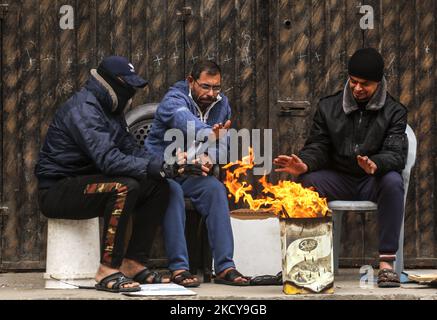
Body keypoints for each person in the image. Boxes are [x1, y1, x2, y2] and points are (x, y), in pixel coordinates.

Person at [35, 56, 193, 293]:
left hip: (87, 185)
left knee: (161, 185)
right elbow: (108, 160)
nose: (131, 94)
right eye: (128, 86)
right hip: (58, 190)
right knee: (123, 187)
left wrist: (166, 166)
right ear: (112, 83)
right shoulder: (84, 110)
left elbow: (131, 150)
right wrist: (155, 167)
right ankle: (107, 270)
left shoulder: (110, 111)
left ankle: (133, 264)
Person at [274, 48, 408, 288]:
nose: (357, 88)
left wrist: (376, 164)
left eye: (365, 84)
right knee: (307, 181)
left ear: (379, 83)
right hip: (338, 179)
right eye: (353, 81)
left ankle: (387, 265)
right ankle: (309, 260)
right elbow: (319, 146)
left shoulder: (395, 111)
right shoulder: (328, 107)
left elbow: (396, 154)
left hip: (372, 181)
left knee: (394, 182)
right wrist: (304, 163)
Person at [145, 60, 251, 287]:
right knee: (171, 191)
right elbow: (184, 121)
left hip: (191, 173)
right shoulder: (174, 100)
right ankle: (179, 268)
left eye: (216, 88)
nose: (211, 93)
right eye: (205, 87)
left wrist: (209, 157)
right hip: (163, 172)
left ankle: (224, 267)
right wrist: (209, 134)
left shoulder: (222, 104)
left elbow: (225, 142)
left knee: (214, 189)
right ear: (190, 81)